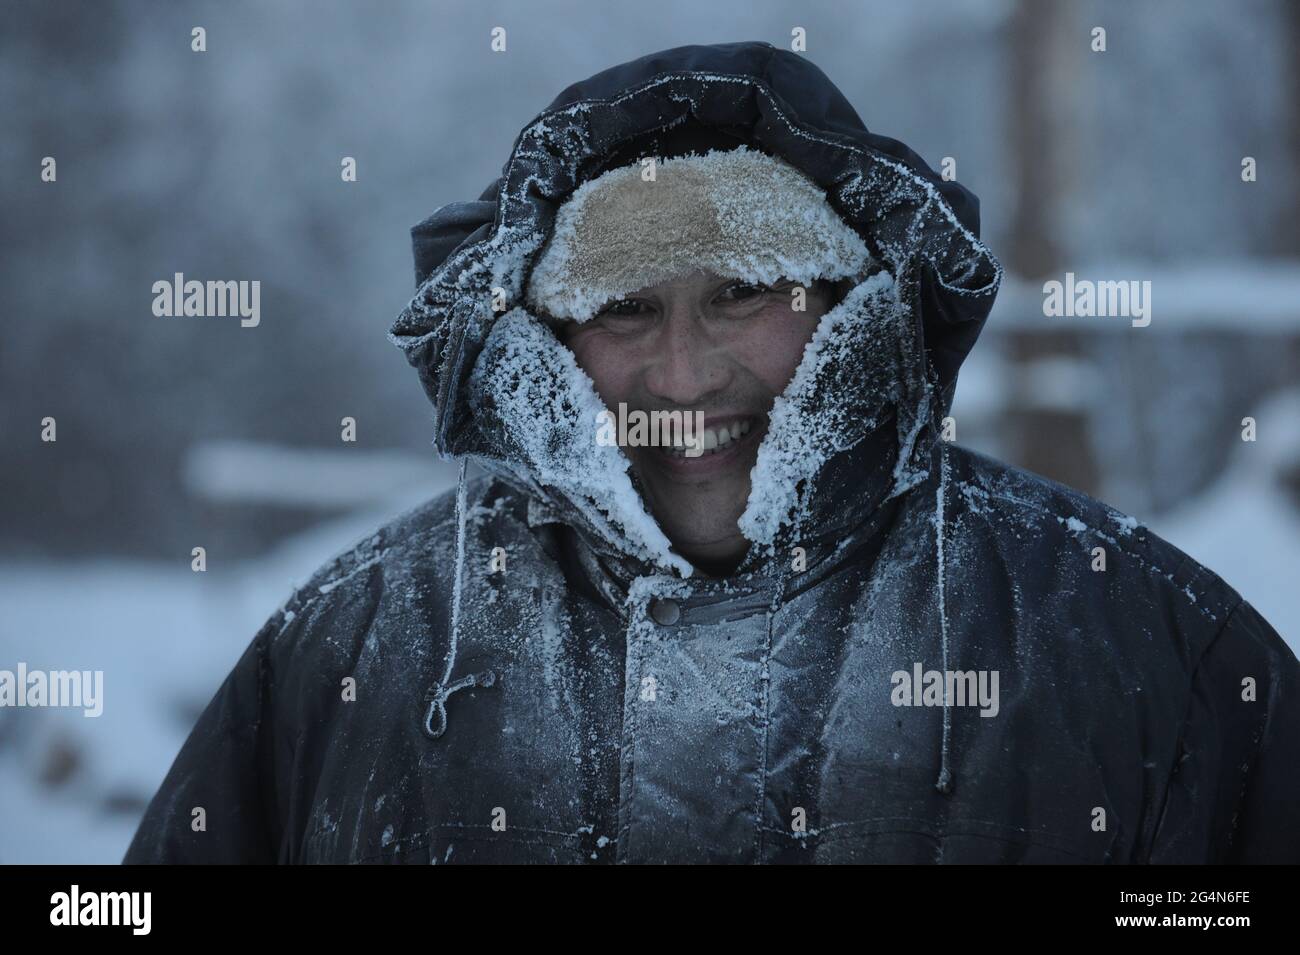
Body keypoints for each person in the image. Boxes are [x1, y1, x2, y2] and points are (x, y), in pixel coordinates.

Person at [124, 40, 1299, 864]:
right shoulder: (359, 649)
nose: (682, 376)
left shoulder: (1130, 637)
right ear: (545, 341)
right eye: (624, 309)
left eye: (742, 293)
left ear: (848, 301)